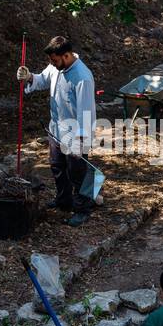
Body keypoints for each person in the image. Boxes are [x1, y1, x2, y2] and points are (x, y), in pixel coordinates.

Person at [16, 35, 99, 227]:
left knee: (77, 172)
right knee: (57, 167)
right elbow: (43, 80)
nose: (51, 64)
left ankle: (82, 209)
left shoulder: (82, 77)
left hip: (76, 133)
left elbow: (86, 113)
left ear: (67, 55)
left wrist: (80, 141)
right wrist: (29, 77)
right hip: (56, 129)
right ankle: (64, 201)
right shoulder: (56, 66)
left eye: (54, 60)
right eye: (50, 61)